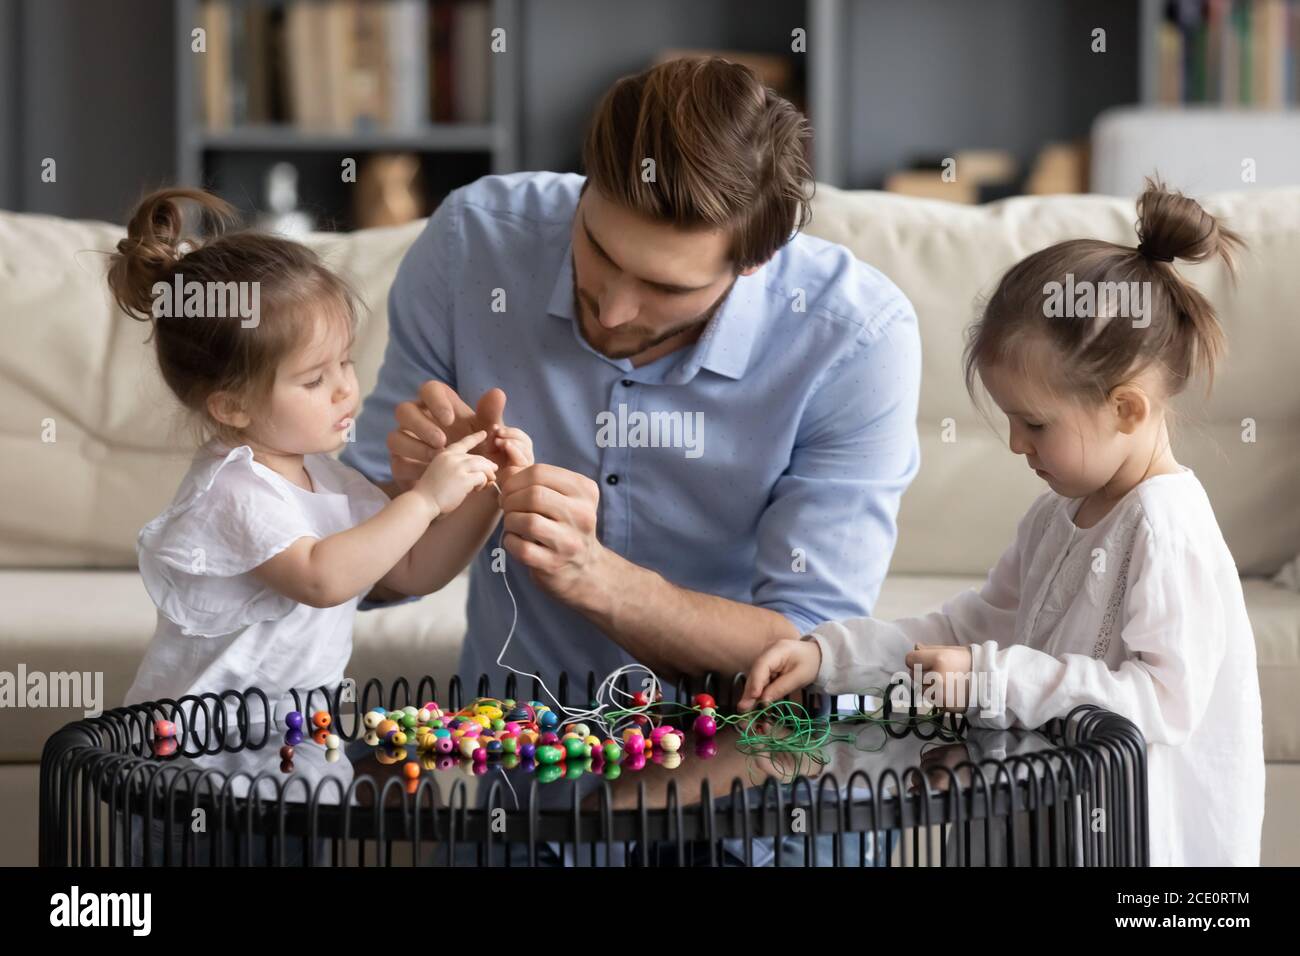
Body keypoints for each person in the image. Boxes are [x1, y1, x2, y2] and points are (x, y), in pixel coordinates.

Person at [342, 57, 922, 687]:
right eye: (599, 250)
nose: (613, 310)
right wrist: (424, 501)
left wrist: (596, 578)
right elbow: (348, 569)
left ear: (754, 263)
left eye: (664, 287)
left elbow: (813, 647)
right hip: (519, 754)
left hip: (737, 760)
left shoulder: (856, 338)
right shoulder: (471, 244)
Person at [739, 179, 1266, 866]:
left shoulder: (1166, 529)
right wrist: (829, 656)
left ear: (1128, 410)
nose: (1017, 444)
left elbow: (1161, 705)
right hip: (1043, 820)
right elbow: (967, 633)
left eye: (1035, 423)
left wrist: (989, 682)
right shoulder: (1056, 515)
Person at [108, 188, 532, 720]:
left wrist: (484, 488)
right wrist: (424, 500)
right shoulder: (232, 490)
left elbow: (411, 570)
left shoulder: (327, 479)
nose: (342, 391)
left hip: (292, 738)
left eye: (345, 364)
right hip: (206, 752)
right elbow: (321, 579)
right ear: (232, 406)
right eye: (313, 379)